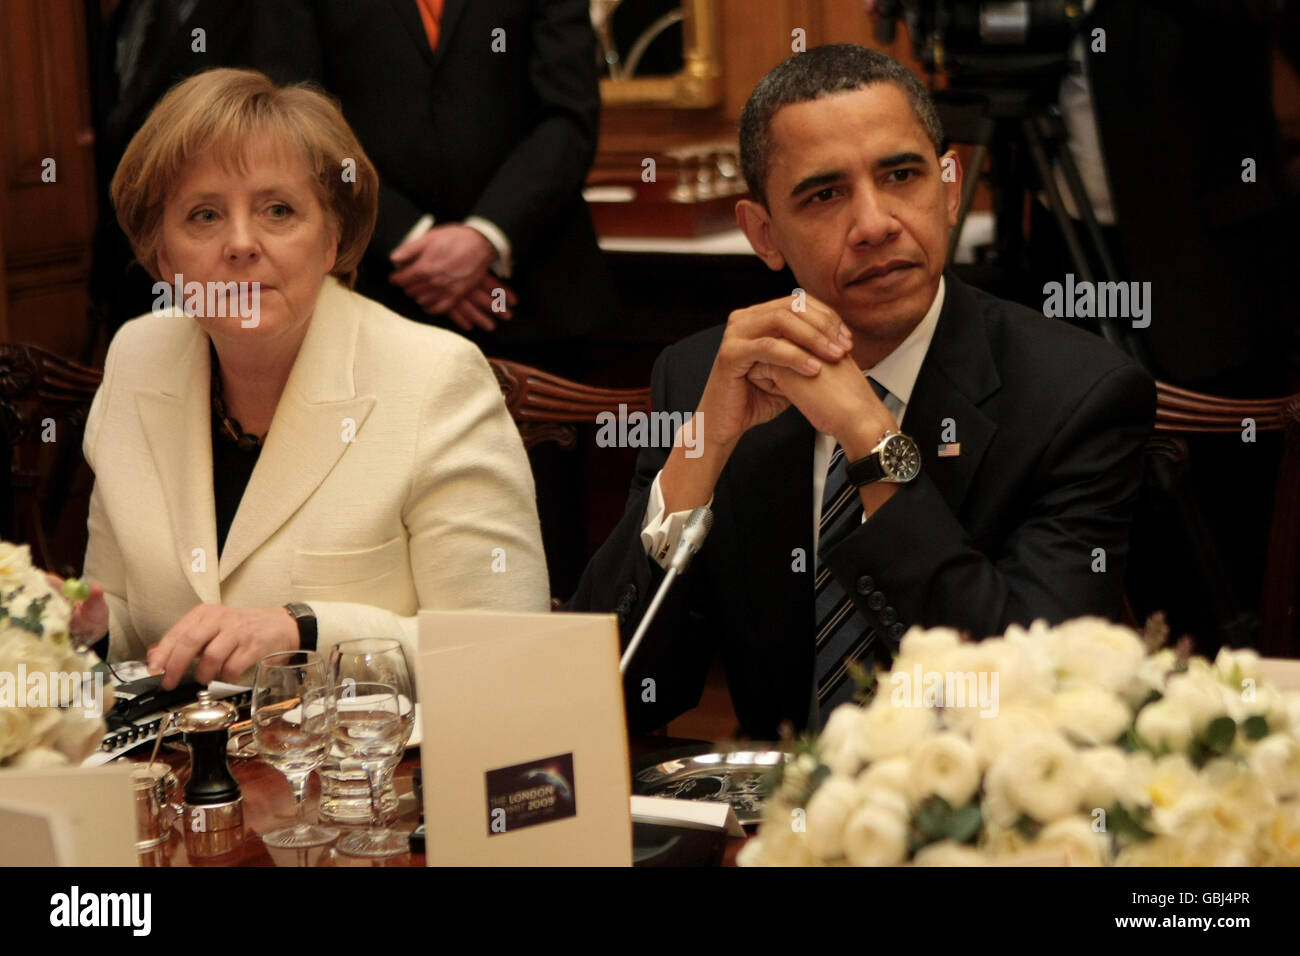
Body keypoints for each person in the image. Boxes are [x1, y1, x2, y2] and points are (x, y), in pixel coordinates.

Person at [568, 45, 1156, 740]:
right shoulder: (703, 377)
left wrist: (871, 438)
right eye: (824, 194)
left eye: (901, 175)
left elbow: (1031, 705)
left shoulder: (1076, 396)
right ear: (764, 234)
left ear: (948, 187)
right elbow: (604, 701)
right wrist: (702, 453)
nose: (875, 223)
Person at [65, 68, 549, 688]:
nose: (240, 243)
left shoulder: (433, 379)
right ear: (163, 258)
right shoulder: (138, 356)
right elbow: (148, 632)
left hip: (371, 774)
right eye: (204, 215)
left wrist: (306, 631)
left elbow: (509, 653)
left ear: (331, 240)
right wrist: (93, 625)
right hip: (187, 771)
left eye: (278, 210)